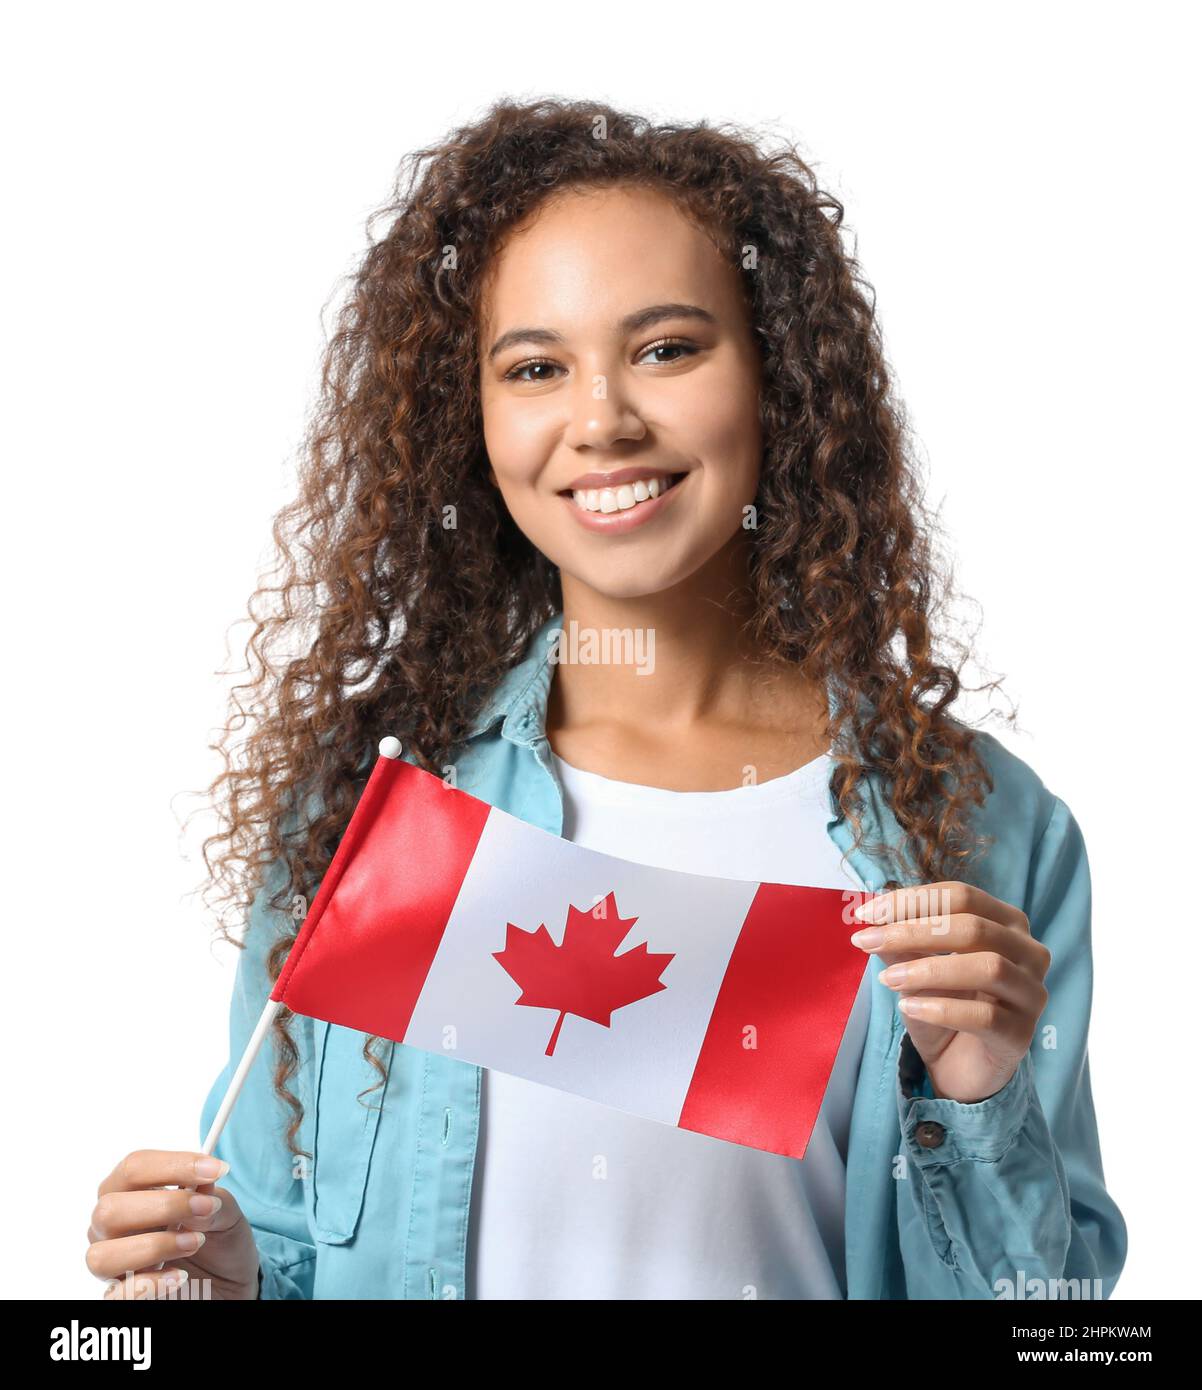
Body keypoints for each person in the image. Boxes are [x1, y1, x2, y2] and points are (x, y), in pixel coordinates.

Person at [85, 97, 1128, 1301]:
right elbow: (291, 1253)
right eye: (534, 367)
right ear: (468, 422)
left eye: (667, 348)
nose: (600, 421)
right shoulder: (369, 819)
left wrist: (981, 1093)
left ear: (776, 376)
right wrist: (217, 1282)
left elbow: (1049, 1320)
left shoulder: (984, 825)